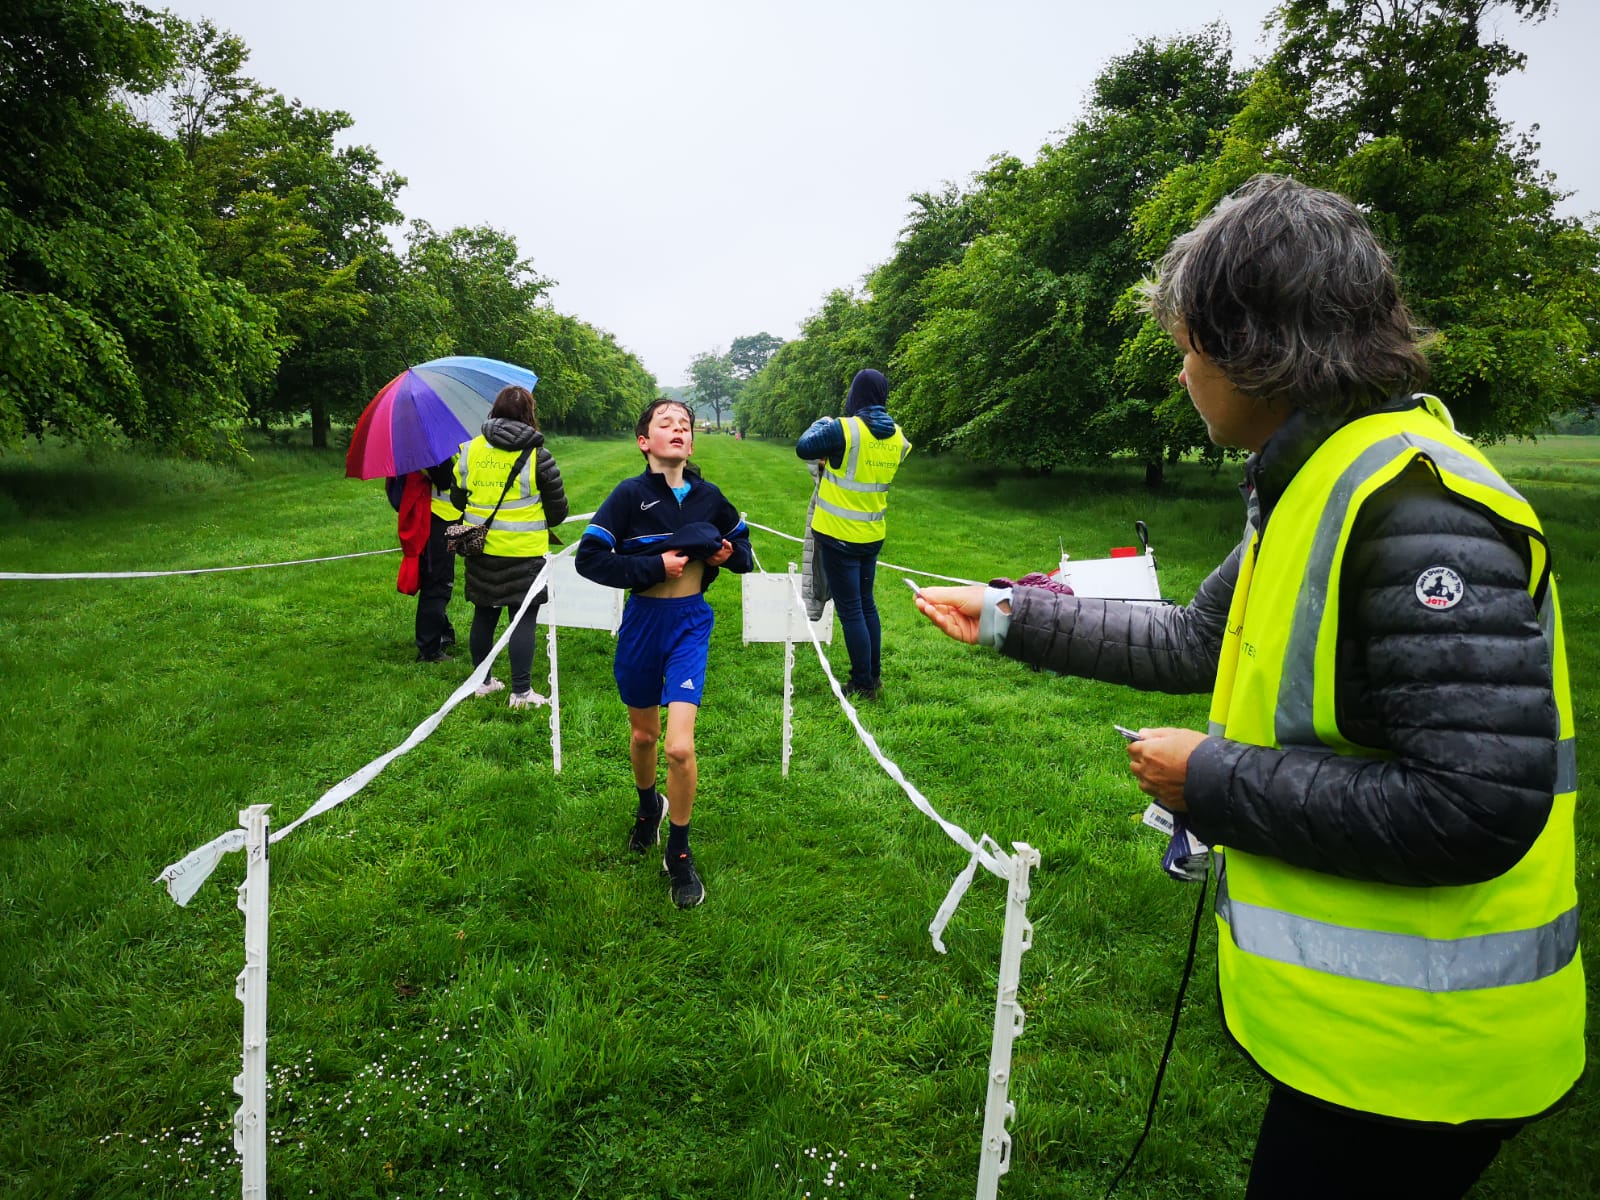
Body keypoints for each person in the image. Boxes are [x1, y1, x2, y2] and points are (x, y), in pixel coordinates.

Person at [914, 174, 1582, 1199]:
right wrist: (1011, 615)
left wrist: (1210, 780)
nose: (1181, 373)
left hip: (1427, 1053)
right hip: (1364, 1043)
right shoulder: (1315, 480)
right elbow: (1197, 639)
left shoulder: (1415, 511)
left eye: (1186, 346)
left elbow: (1473, 805)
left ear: (1248, 347)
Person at [576, 398, 754, 908]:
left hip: (690, 626)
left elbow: (743, 552)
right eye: (665, 424)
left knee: (678, 745)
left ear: (691, 443)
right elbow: (591, 559)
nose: (677, 430)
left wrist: (727, 554)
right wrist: (655, 567)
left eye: (685, 426)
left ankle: (678, 853)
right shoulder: (629, 496)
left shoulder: (710, 497)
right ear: (644, 441)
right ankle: (645, 808)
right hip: (642, 625)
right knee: (644, 734)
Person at [795, 368, 911, 700]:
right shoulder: (899, 438)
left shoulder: (844, 430)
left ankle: (863, 682)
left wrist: (821, 423)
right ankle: (873, 676)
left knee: (850, 610)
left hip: (837, 533)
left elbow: (805, 447)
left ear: (856, 395)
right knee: (866, 604)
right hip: (872, 533)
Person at [450, 385, 568, 709]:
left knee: (484, 613)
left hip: (479, 547)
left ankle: (482, 683)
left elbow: (458, 498)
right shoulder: (538, 456)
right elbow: (559, 512)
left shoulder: (469, 450)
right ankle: (521, 692)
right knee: (523, 619)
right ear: (529, 413)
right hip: (524, 551)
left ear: (494, 412)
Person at [387, 458, 461, 662]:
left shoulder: (417, 444)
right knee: (438, 583)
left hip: (436, 518)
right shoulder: (429, 448)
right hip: (437, 520)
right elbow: (446, 479)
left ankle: (443, 632)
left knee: (437, 578)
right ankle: (429, 649)